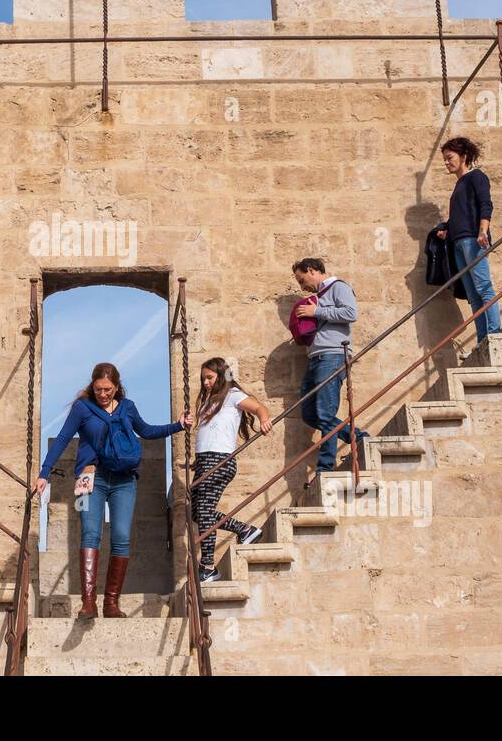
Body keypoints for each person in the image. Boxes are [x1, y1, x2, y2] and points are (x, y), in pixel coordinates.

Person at [35, 363, 191, 620]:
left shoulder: (127, 407)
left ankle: (111, 603)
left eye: (108, 389)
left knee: (121, 537)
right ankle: (88, 604)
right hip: (90, 477)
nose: (103, 394)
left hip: (124, 480)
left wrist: (178, 425)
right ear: (92, 386)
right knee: (90, 533)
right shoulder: (82, 408)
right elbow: (63, 438)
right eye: (98, 389)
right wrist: (44, 473)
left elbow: (147, 431)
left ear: (117, 387)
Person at [190, 357, 272, 584]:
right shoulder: (209, 402)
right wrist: (198, 461)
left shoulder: (232, 394)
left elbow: (258, 407)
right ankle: (244, 530)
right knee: (197, 513)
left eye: (210, 377)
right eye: (203, 379)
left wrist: (264, 419)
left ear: (221, 375)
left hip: (220, 460)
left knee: (204, 511)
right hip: (205, 460)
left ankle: (207, 566)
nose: (206, 383)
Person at [292, 258, 368, 488]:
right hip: (316, 358)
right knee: (309, 414)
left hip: (333, 355)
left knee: (325, 413)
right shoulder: (320, 294)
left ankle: (325, 468)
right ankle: (360, 438)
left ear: (312, 270)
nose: (302, 286)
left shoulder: (339, 287)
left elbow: (350, 313)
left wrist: (317, 311)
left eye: (302, 279)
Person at [435, 136, 501, 345]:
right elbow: (460, 216)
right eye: (445, 159)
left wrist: (483, 231)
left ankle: (494, 333)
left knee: (483, 287)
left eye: (449, 157)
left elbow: (485, 205)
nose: (446, 162)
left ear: (464, 156)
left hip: (473, 240)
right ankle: (483, 339)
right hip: (458, 243)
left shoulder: (476, 177)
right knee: (472, 295)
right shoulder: (459, 186)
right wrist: (446, 228)